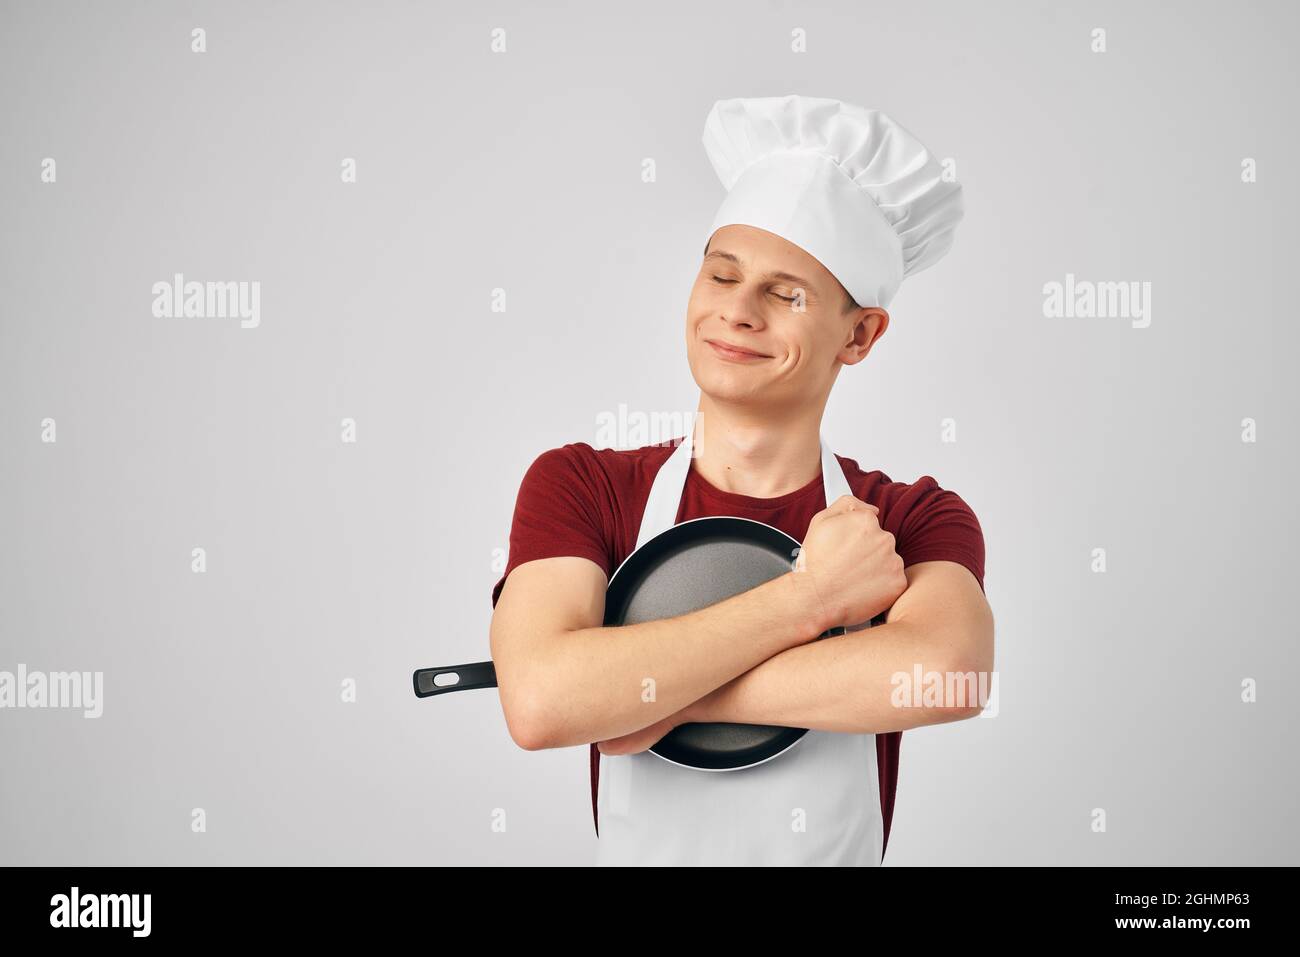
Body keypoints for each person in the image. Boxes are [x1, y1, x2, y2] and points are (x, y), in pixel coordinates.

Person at [488, 94, 994, 866]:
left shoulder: (907, 518)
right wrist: (814, 600)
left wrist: (643, 699)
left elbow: (949, 676)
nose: (737, 313)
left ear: (859, 335)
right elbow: (539, 702)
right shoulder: (583, 486)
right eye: (722, 276)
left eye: (784, 293)